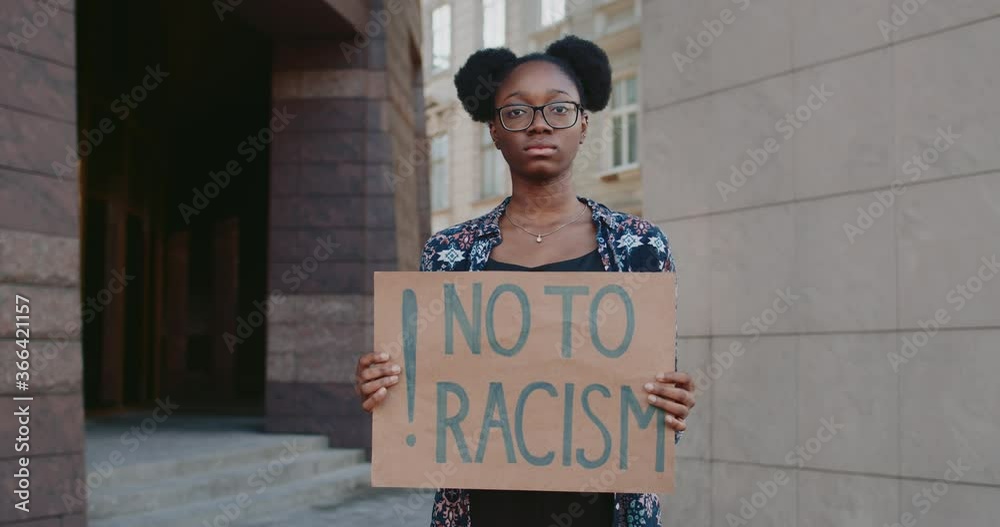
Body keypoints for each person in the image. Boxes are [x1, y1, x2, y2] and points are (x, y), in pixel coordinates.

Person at [354, 35, 696, 527]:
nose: (539, 123)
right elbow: (430, 397)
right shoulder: (448, 253)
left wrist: (673, 406)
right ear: (494, 130)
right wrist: (384, 388)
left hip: (603, 510)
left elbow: (650, 405)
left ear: (583, 124)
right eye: (516, 112)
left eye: (558, 108)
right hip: (484, 509)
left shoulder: (640, 246)